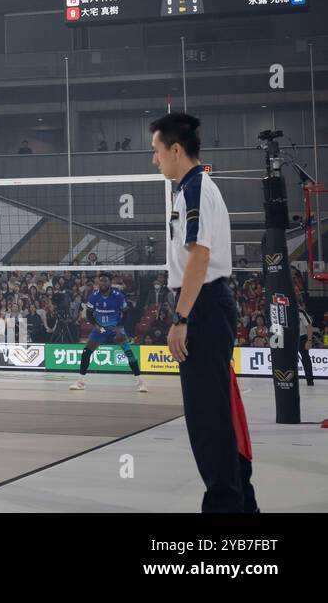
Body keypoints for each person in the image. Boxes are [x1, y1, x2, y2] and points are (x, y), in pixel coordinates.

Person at [152, 112, 257, 513]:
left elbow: (199, 257)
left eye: (156, 151)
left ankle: (225, 507)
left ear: (176, 149)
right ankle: (242, 503)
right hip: (208, 303)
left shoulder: (196, 190)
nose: (154, 160)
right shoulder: (191, 190)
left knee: (207, 419)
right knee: (218, 413)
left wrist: (181, 319)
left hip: (204, 306)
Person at [68, 274, 146, 392]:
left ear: (110, 282)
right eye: (100, 281)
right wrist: (96, 326)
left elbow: (126, 313)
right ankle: (80, 381)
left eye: (105, 281)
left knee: (128, 352)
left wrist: (119, 327)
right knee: (86, 352)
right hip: (101, 329)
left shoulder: (118, 296)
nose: (102, 283)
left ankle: (140, 382)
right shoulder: (94, 296)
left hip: (115, 328)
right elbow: (89, 314)